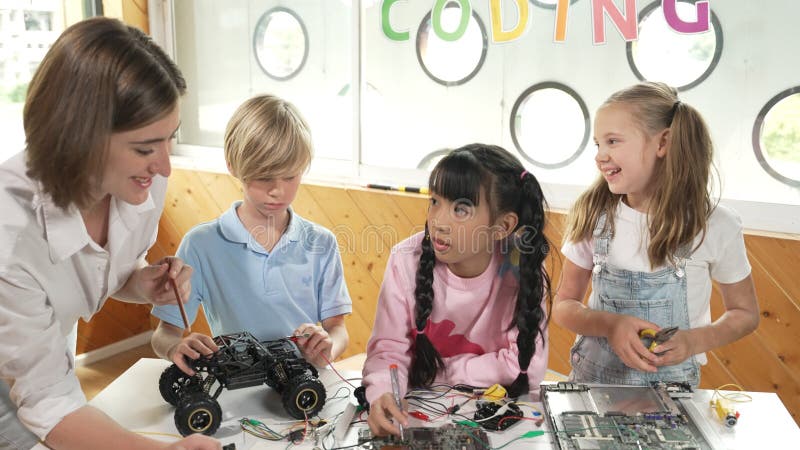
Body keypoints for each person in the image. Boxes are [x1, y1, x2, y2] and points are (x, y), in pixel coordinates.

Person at [0, 17, 220, 450]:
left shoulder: (141, 179)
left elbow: (101, 268)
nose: (165, 166)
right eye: (145, 148)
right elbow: (48, 400)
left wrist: (142, 282)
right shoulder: (10, 231)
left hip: (44, 349)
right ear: (79, 138)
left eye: (169, 139)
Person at [553, 82, 759, 387]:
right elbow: (564, 306)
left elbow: (745, 313)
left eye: (612, 141)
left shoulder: (716, 225)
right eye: (598, 144)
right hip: (592, 386)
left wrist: (693, 341)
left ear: (662, 143)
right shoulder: (594, 214)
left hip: (671, 394)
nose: (600, 156)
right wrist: (610, 325)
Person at [150, 94, 351, 375]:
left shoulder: (322, 242)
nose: (277, 190)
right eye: (264, 177)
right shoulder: (200, 245)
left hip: (304, 383)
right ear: (233, 165)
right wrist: (175, 346)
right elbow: (164, 333)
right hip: (238, 383)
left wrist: (328, 346)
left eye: (290, 176)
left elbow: (337, 329)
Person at [362, 144, 552, 436]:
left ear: (503, 226)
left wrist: (438, 372)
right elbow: (388, 349)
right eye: (435, 201)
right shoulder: (405, 260)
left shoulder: (521, 268)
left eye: (460, 209)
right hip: (420, 411)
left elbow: (527, 365)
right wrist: (383, 392)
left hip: (504, 417)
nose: (438, 221)